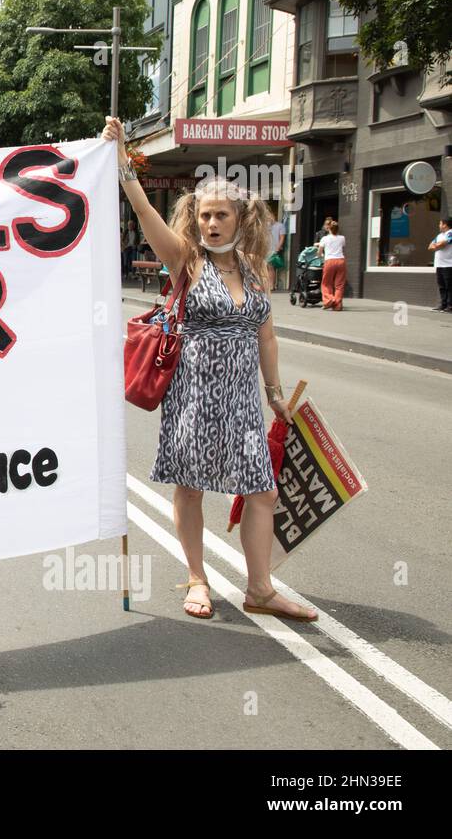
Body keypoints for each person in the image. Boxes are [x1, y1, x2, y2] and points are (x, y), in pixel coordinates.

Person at [103, 117, 317, 623]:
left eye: (221, 215)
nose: (212, 224)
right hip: (193, 395)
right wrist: (123, 162)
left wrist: (275, 393)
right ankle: (197, 579)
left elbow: (265, 333)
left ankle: (260, 589)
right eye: (204, 216)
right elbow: (142, 209)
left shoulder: (255, 270)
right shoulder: (185, 261)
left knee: (261, 489)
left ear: (240, 219)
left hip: (243, 401)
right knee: (191, 486)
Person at [316, 218, 347, 310]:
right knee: (339, 284)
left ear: (329, 228)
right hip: (341, 261)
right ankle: (337, 305)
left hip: (329, 261)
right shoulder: (342, 238)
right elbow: (342, 247)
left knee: (326, 283)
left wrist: (320, 255)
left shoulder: (324, 239)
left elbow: (319, 252)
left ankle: (330, 300)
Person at [430, 216, 452, 311]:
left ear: (445, 224)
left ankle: (450, 306)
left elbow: (444, 244)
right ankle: (443, 304)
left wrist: (438, 245)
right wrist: (438, 245)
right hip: (439, 264)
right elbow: (430, 246)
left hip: (449, 264)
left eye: (440, 223)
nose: (439, 225)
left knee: (449, 286)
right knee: (442, 286)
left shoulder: (450, 233)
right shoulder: (439, 236)